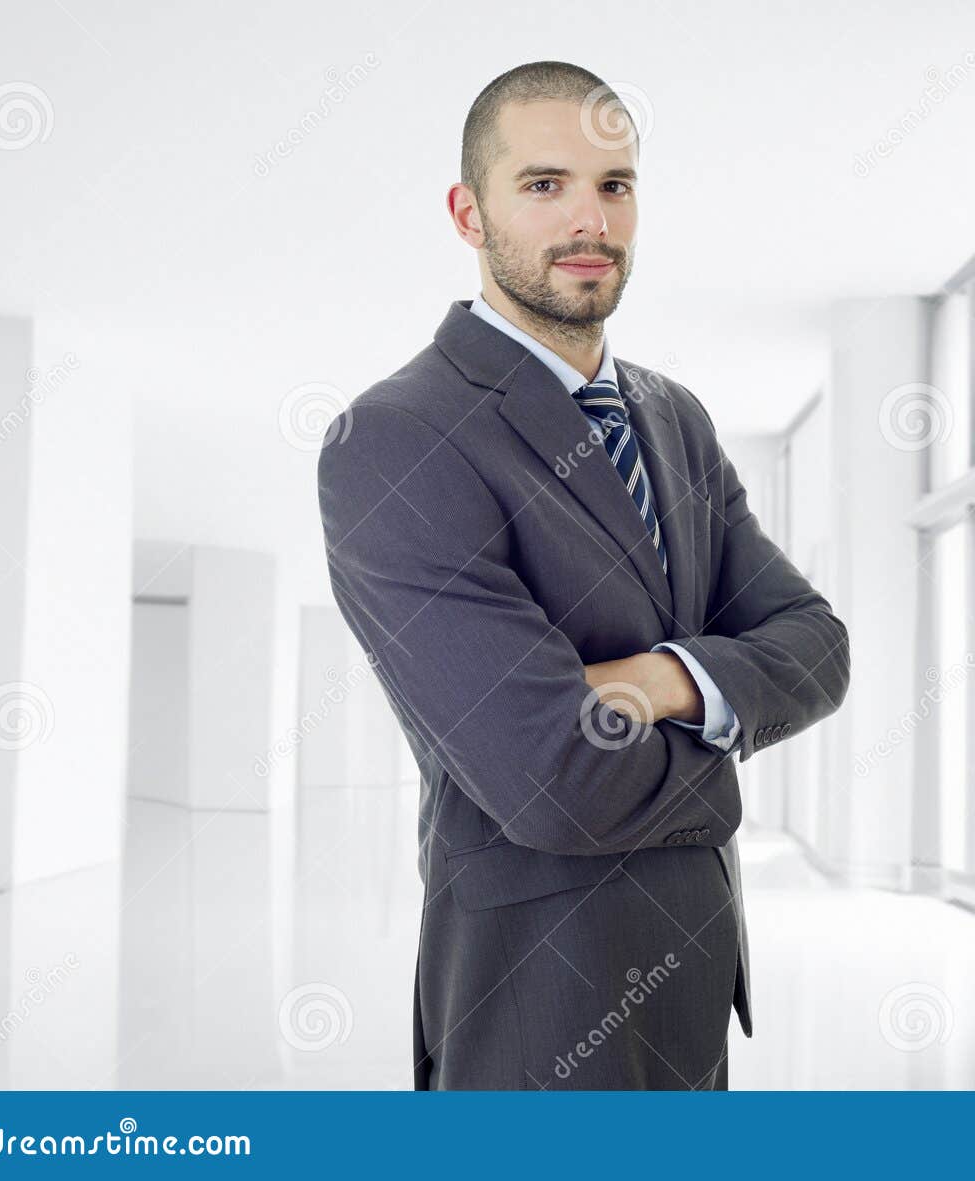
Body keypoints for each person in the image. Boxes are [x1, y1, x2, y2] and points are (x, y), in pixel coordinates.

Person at [315, 60, 850, 1090]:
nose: (589, 220)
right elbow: (554, 777)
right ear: (468, 212)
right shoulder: (396, 437)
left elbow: (817, 645)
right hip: (535, 993)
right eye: (543, 183)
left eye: (615, 185)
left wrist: (655, 681)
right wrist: (728, 722)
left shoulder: (673, 416)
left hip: (696, 973)